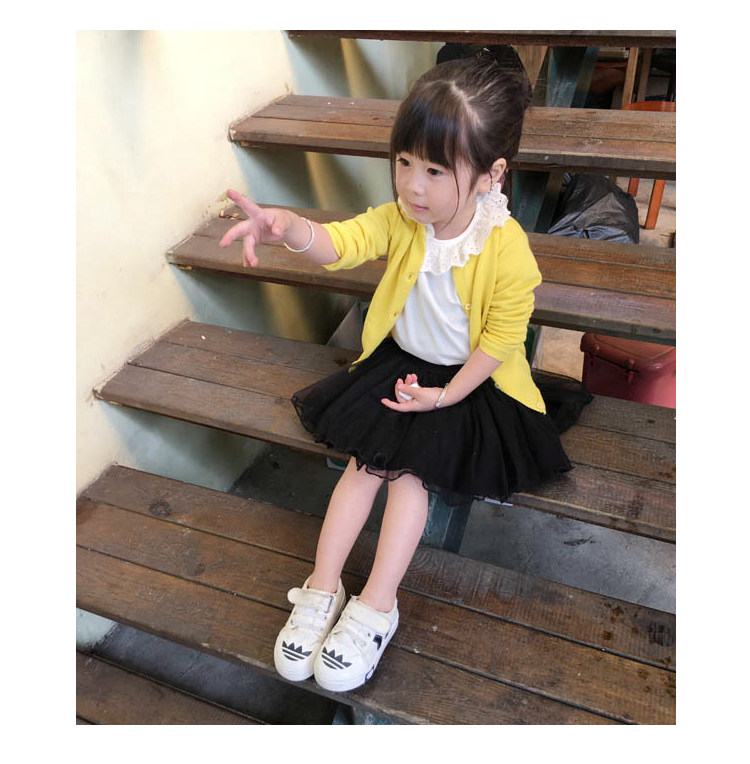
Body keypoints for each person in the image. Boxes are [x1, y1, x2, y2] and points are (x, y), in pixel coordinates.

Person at [219, 57, 576, 693]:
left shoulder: (506, 249)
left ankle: (377, 606)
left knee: (408, 475)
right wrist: (287, 227)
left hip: (467, 385)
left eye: (436, 170)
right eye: (405, 161)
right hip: (402, 365)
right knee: (363, 467)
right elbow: (343, 242)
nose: (413, 185)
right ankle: (322, 587)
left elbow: (500, 343)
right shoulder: (403, 220)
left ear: (492, 174)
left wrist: (442, 398)